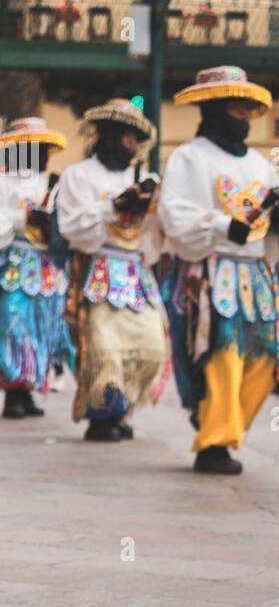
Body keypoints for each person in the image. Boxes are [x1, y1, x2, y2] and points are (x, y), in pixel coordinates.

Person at [158, 66, 279, 475]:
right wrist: (222, 226)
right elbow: (174, 215)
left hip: (259, 277)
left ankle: (217, 421)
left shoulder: (260, 163)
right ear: (215, 109)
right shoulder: (187, 157)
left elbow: (275, 223)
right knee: (223, 356)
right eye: (237, 108)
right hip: (212, 273)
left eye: (249, 109)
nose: (246, 117)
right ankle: (213, 442)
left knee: (270, 361)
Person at [56, 98, 167, 442]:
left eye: (136, 138)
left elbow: (155, 235)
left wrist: (149, 208)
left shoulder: (144, 177)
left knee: (151, 347)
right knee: (103, 348)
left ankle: (123, 406)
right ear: (109, 135)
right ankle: (101, 414)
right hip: (96, 270)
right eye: (126, 137)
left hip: (135, 273)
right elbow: (72, 228)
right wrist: (112, 208)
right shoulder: (78, 176)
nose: (132, 145)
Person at [0, 117, 71, 418]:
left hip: (46, 267)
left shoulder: (52, 183)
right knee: (15, 323)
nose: (33, 154)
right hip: (15, 263)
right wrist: (23, 220)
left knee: (45, 328)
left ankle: (28, 389)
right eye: (28, 147)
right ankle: (15, 391)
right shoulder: (3, 183)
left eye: (38, 147)